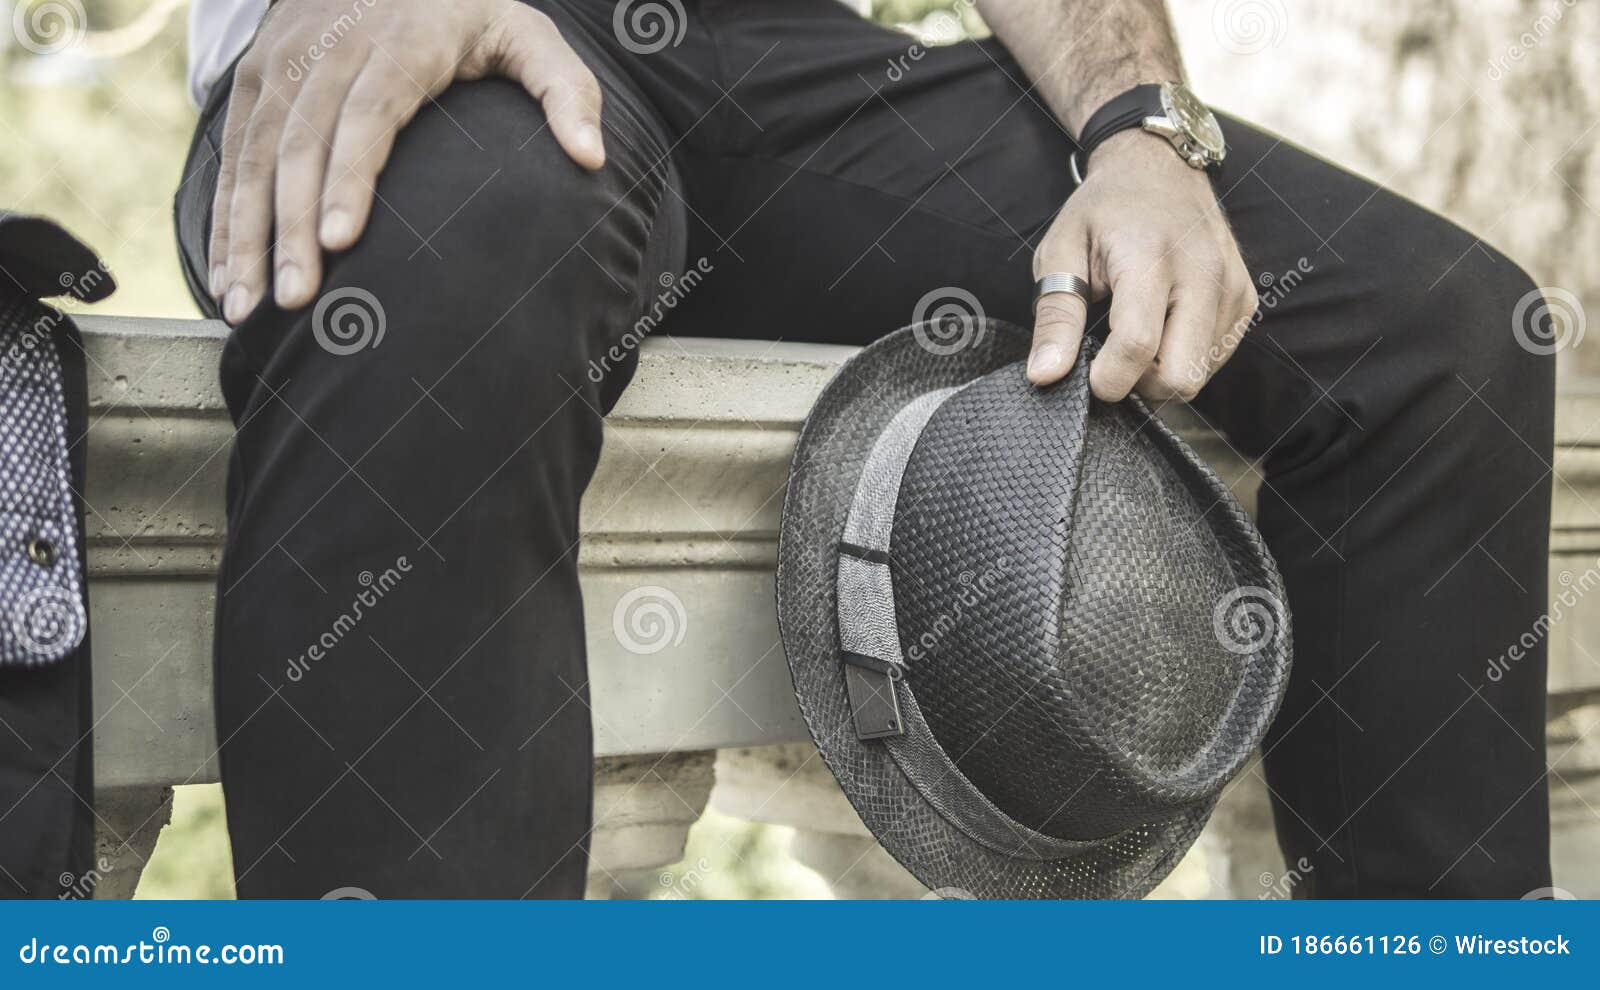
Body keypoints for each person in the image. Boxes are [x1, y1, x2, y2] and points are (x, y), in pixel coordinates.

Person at [173, 0, 1554, 898]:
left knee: (1440, 341)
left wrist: (1142, 133)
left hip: (789, 69)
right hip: (408, 37)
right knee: (466, 244)